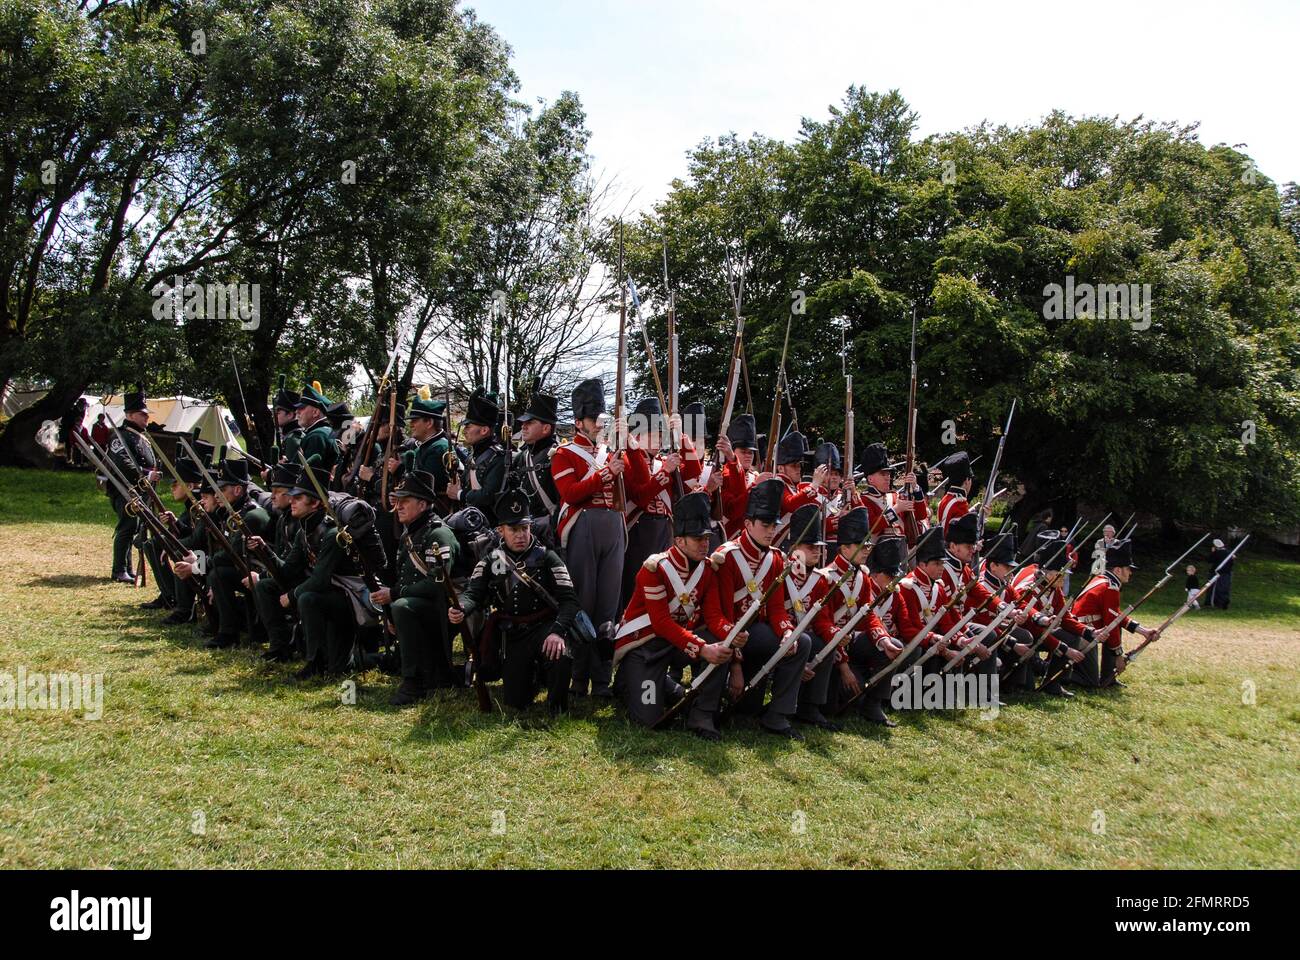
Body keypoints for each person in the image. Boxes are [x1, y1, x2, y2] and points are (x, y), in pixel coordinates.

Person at [613, 491, 732, 739]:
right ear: (679, 541)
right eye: (697, 538)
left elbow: (713, 616)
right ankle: (632, 682)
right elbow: (661, 623)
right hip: (645, 645)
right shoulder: (654, 569)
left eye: (706, 537)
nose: (704, 543)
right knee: (649, 720)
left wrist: (730, 635)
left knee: (718, 642)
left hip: (675, 641)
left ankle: (703, 715)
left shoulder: (709, 569)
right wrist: (702, 649)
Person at [450, 489, 579, 714]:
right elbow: (474, 594)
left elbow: (569, 601)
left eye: (524, 528)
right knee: (516, 701)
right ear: (501, 531)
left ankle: (557, 707)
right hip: (513, 635)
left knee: (562, 653)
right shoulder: (490, 561)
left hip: (544, 628)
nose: (520, 535)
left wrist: (557, 632)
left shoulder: (548, 558)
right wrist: (462, 607)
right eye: (513, 529)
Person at [705, 477, 811, 739]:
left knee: (801, 641)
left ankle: (777, 715)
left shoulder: (774, 557)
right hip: (727, 632)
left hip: (756, 633)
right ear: (748, 523)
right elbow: (722, 614)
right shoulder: (727, 555)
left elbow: (775, 608)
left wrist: (786, 632)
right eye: (765, 525)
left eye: (773, 525)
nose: (771, 531)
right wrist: (736, 666)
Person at [552, 378, 627, 698]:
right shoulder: (564, 453)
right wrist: (605, 474)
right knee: (583, 602)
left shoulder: (612, 449)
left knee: (609, 605)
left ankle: (602, 678)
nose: (599, 423)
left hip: (613, 526)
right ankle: (579, 676)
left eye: (602, 418)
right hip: (582, 525)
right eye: (593, 418)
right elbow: (571, 493)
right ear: (579, 421)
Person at [370, 470, 461, 704]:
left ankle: (414, 683)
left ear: (422, 504)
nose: (398, 506)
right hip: (420, 604)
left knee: (401, 605)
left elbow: (437, 584)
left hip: (443, 610)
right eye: (397, 500)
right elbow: (406, 577)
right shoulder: (412, 532)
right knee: (399, 606)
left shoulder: (438, 534)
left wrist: (395, 595)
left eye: (405, 501)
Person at [1071, 538, 1159, 687]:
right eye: (1128, 569)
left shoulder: (1103, 579)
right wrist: (1119, 657)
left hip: (1086, 630)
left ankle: (1109, 677)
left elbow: (1116, 616)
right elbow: (1111, 623)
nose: (1130, 573)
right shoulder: (1110, 587)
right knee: (1091, 682)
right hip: (1082, 634)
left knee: (1115, 628)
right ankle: (1055, 673)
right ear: (1118, 570)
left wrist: (1143, 631)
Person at [104, 389, 158, 583]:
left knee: (133, 528)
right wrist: (146, 474)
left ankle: (125, 569)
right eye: (142, 413)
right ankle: (119, 570)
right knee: (127, 528)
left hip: (141, 491)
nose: (146, 417)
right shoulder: (122, 436)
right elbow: (122, 463)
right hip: (126, 489)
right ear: (130, 415)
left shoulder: (138, 435)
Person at [445, 388, 508, 525]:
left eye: (468, 426)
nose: (465, 430)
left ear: (484, 430)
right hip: (471, 522)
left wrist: (460, 494)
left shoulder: (498, 457)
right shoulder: (475, 454)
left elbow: (488, 495)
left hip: (489, 527)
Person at [513, 388, 561, 544]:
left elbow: (565, 502)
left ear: (546, 428)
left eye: (530, 422)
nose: (523, 426)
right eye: (524, 423)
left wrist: (550, 523)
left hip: (550, 534)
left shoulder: (560, 456)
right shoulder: (522, 457)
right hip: (523, 533)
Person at [293, 381, 342, 473]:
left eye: (302, 408)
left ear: (315, 412)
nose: (297, 412)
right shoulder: (323, 432)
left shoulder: (317, 436)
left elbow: (305, 477)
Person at [1207, 538, 1234, 610]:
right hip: (1227, 573)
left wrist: (1212, 553)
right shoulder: (1229, 553)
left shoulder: (1216, 553)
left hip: (1217, 573)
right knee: (1224, 588)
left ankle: (1215, 603)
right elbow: (1231, 564)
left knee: (1215, 588)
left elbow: (1209, 560)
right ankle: (1224, 603)